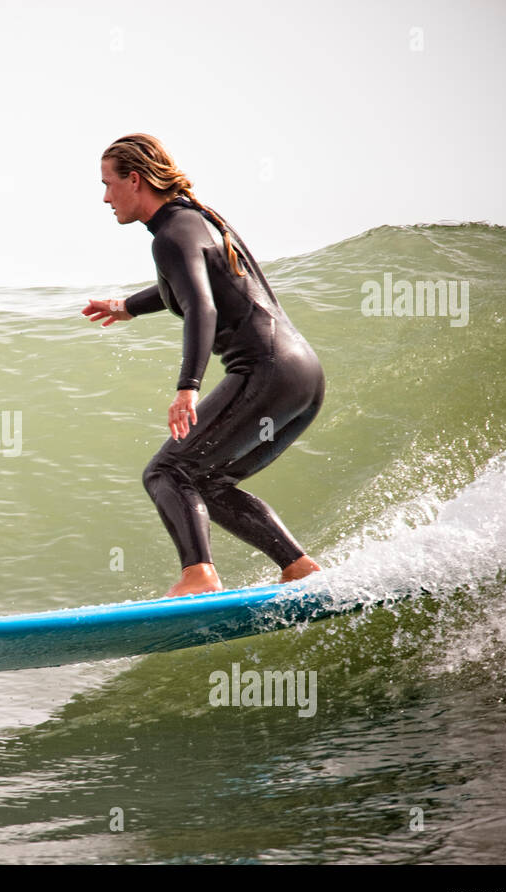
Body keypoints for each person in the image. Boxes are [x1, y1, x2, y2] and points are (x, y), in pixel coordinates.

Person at [82, 133, 325, 598]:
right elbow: (196, 286)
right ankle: (299, 568)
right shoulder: (196, 220)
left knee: (166, 472)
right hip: (302, 375)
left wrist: (187, 388)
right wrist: (128, 306)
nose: (105, 197)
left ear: (135, 180)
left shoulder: (170, 236)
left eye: (109, 184)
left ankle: (199, 576)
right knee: (207, 481)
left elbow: (202, 307)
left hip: (267, 369)